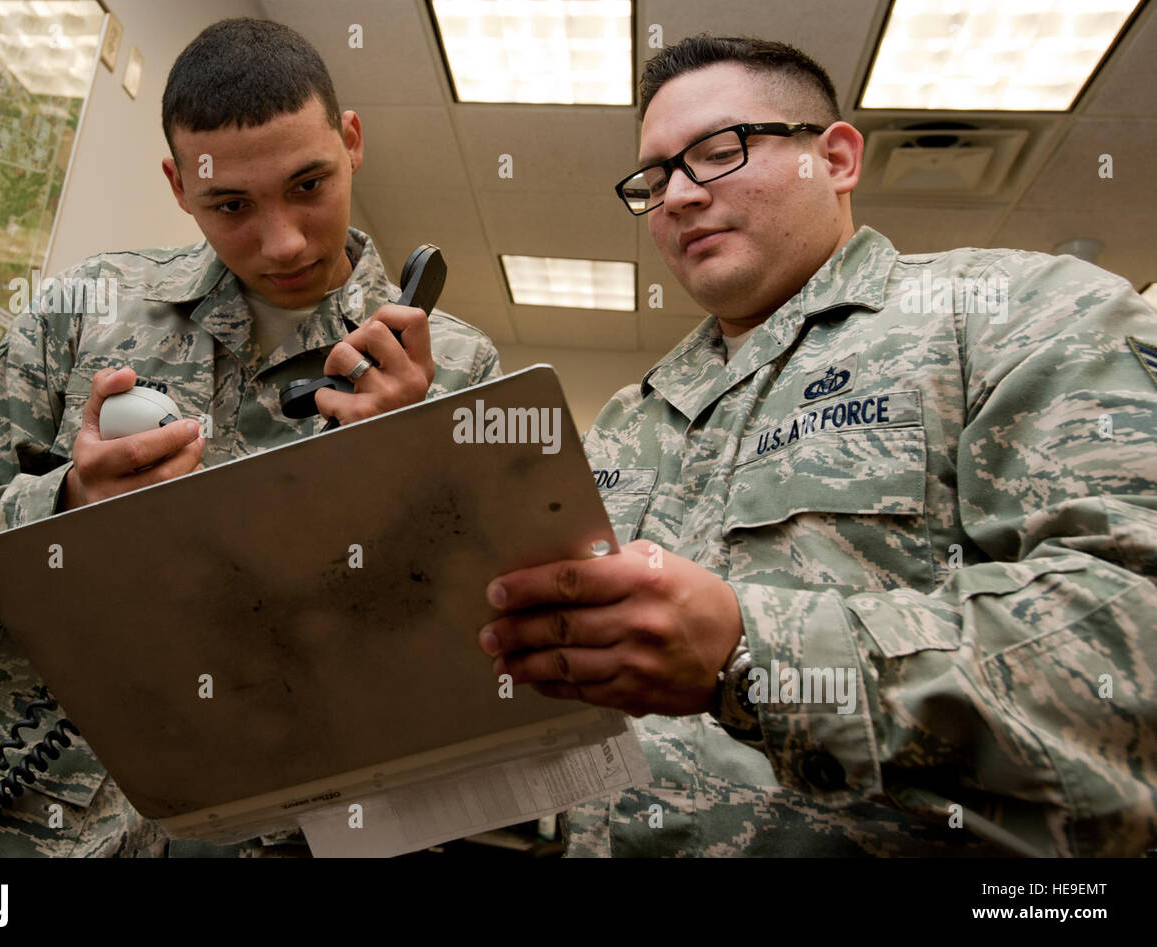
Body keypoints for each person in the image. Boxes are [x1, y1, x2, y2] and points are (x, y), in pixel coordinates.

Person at [478, 35, 1157, 857]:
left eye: (718, 153)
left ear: (834, 158)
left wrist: (750, 652)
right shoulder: (629, 417)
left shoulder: (1018, 313)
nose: (680, 197)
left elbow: (1123, 644)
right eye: (654, 181)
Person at [0, 18, 500, 857]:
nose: (280, 241)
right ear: (179, 185)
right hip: (16, 829)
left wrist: (402, 468)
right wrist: (65, 505)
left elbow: (486, 659)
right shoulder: (87, 308)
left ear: (351, 142)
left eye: (309, 184)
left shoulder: (455, 369)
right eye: (231, 205)